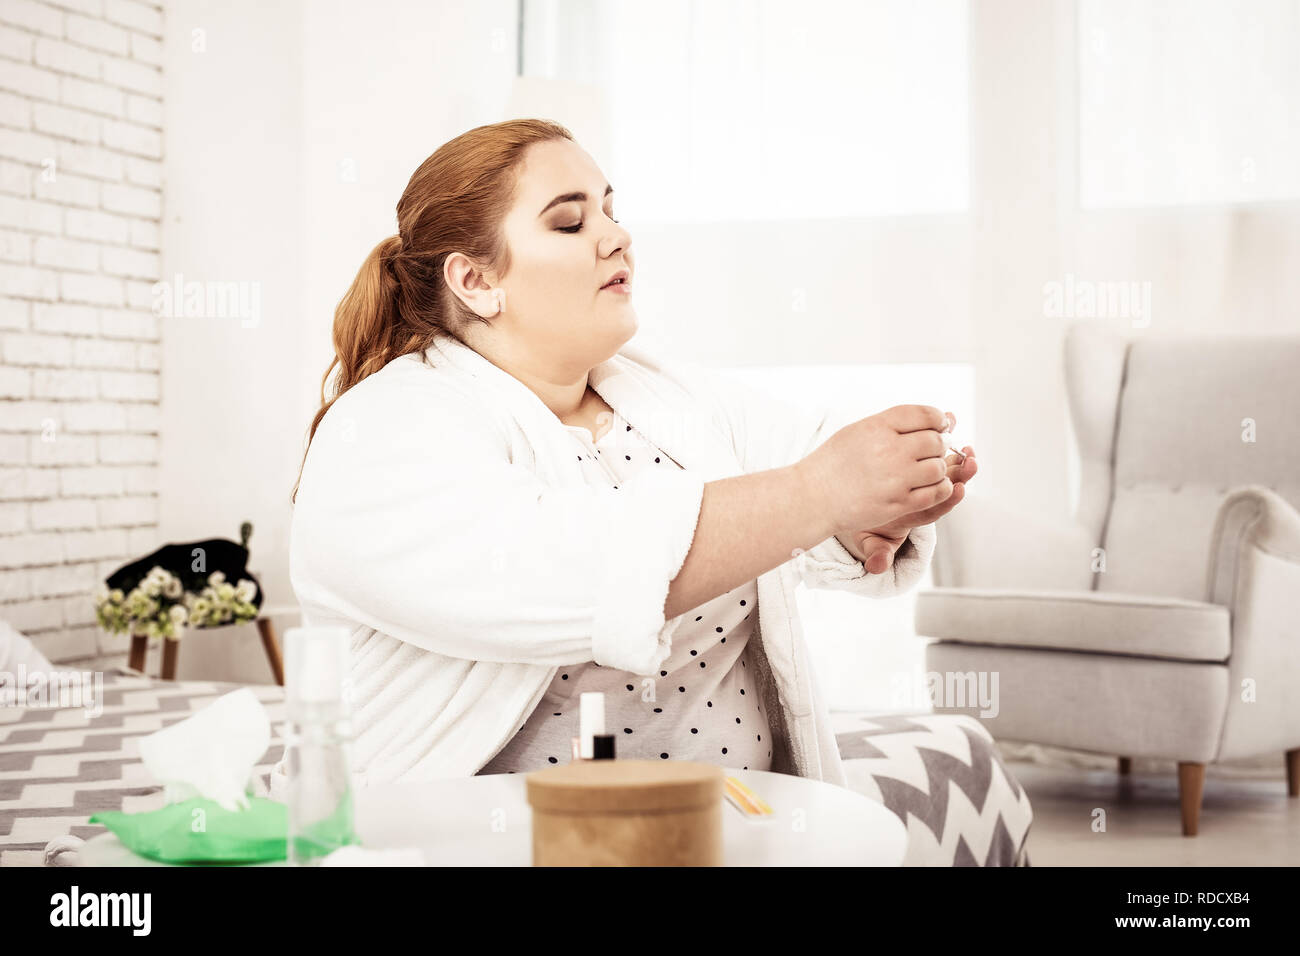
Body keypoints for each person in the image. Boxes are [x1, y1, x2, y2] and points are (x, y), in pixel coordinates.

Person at [276, 118, 978, 793]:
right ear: (476, 281)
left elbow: (803, 471)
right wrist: (821, 492)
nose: (617, 236)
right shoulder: (382, 431)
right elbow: (553, 571)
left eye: (611, 210)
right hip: (475, 838)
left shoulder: (664, 394)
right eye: (570, 221)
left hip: (716, 820)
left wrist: (876, 505)